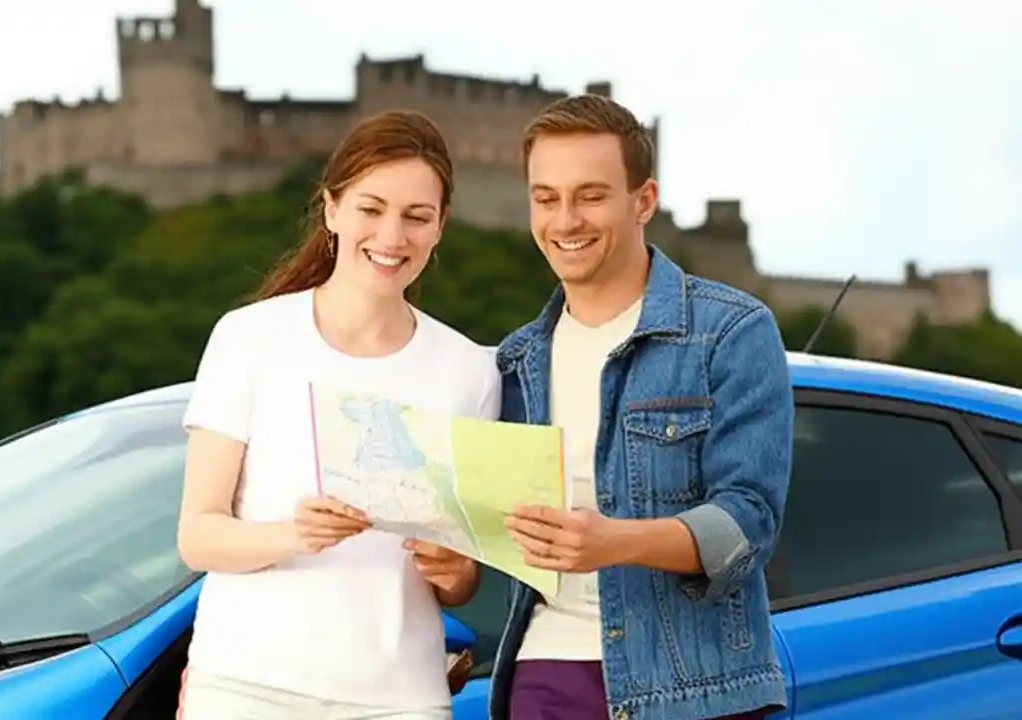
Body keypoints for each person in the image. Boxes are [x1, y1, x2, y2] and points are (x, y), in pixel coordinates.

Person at [176, 109, 501, 720]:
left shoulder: (469, 371)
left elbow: (461, 578)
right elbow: (197, 534)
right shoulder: (249, 338)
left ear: (439, 228)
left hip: (401, 698)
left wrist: (456, 571)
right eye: (371, 209)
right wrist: (294, 534)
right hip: (248, 687)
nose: (392, 235)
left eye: (416, 216)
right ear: (331, 210)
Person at [487, 93, 794, 720]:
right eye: (546, 198)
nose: (565, 219)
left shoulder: (732, 332)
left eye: (591, 196)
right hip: (544, 677)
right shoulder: (516, 361)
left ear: (644, 201)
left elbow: (748, 523)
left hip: (695, 691)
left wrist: (615, 542)